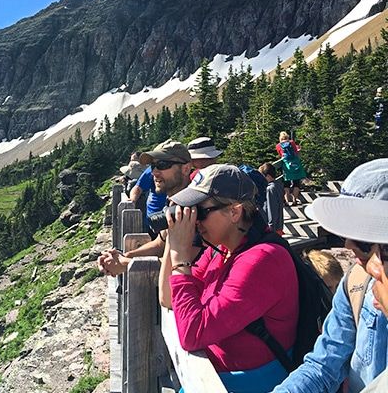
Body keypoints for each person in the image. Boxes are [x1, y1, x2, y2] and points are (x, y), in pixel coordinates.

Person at [162, 164, 299, 392]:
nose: (195, 221)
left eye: (200, 212)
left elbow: (192, 334)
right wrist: (173, 239)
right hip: (219, 377)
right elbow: (168, 298)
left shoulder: (262, 260)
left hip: (251, 384)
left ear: (235, 212)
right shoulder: (222, 251)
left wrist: (180, 255)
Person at [276, 158, 388, 392]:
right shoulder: (356, 283)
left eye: (365, 236)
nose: (348, 244)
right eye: (346, 231)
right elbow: (323, 366)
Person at [99, 140, 194, 276]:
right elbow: (159, 244)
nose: (154, 172)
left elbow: (187, 263)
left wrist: (125, 263)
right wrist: (124, 255)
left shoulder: (193, 209)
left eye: (162, 165)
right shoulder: (173, 203)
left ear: (186, 168)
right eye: (153, 166)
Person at [280, 131, 311, 206]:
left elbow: (281, 154)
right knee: (296, 183)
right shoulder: (292, 142)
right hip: (295, 165)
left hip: (286, 167)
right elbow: (296, 152)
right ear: (287, 137)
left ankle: (287, 201)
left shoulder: (278, 145)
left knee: (286, 184)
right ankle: (294, 201)